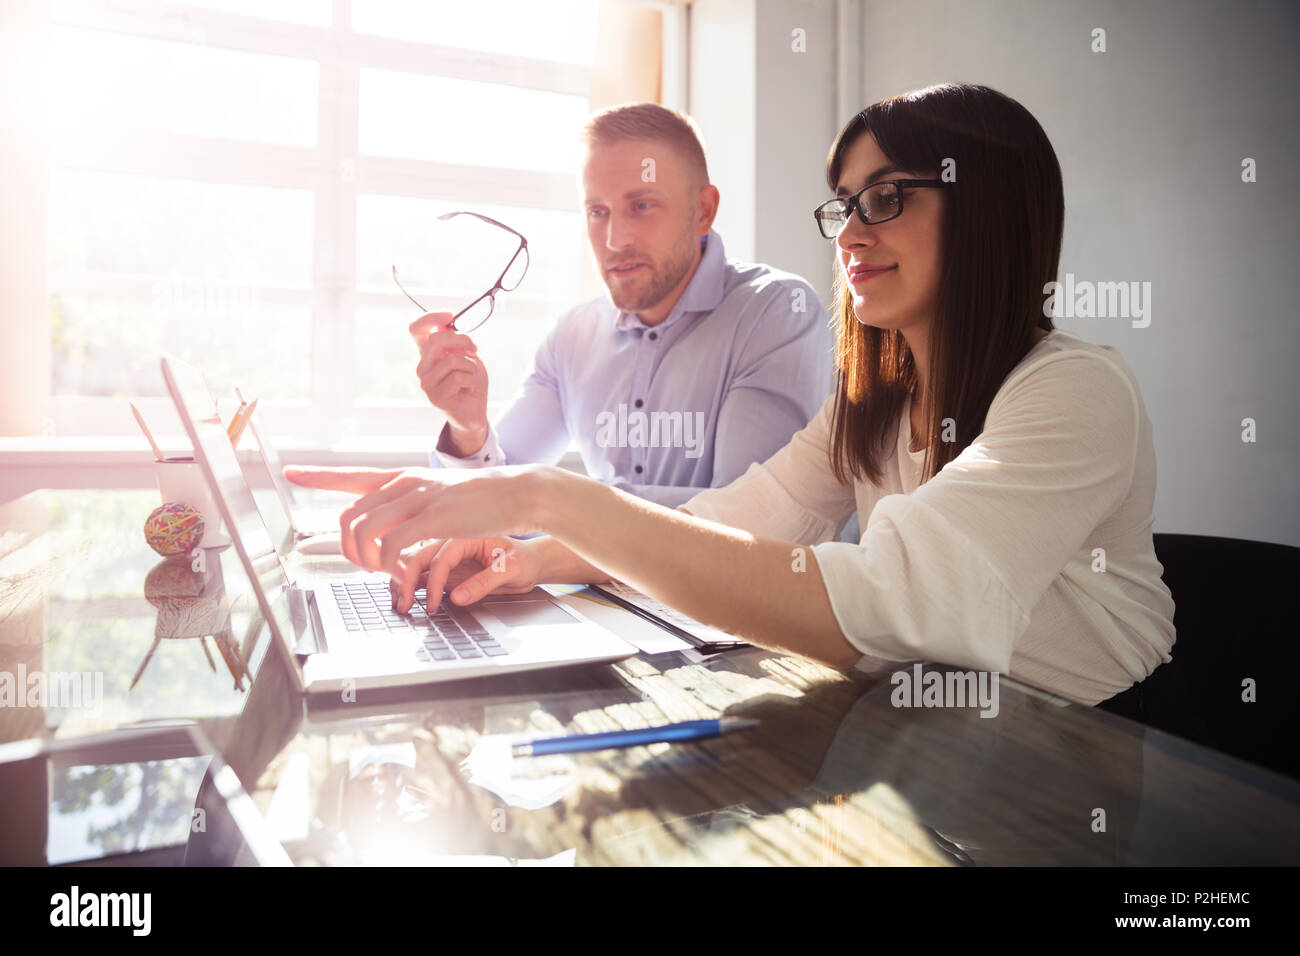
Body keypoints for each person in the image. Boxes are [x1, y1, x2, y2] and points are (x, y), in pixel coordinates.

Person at [288, 83, 1176, 707]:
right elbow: (741, 518)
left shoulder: (1075, 392)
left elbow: (899, 604)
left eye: (888, 198)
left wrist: (546, 498)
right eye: (844, 206)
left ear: (986, 212)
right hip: (934, 733)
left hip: (1096, 754)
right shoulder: (871, 404)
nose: (851, 235)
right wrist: (530, 558)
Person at [411, 102, 833, 507]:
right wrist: (468, 429)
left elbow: (747, 517)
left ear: (703, 211)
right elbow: (494, 503)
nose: (614, 240)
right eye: (598, 211)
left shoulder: (775, 314)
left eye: (642, 206)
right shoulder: (572, 338)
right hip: (593, 581)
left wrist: (557, 504)